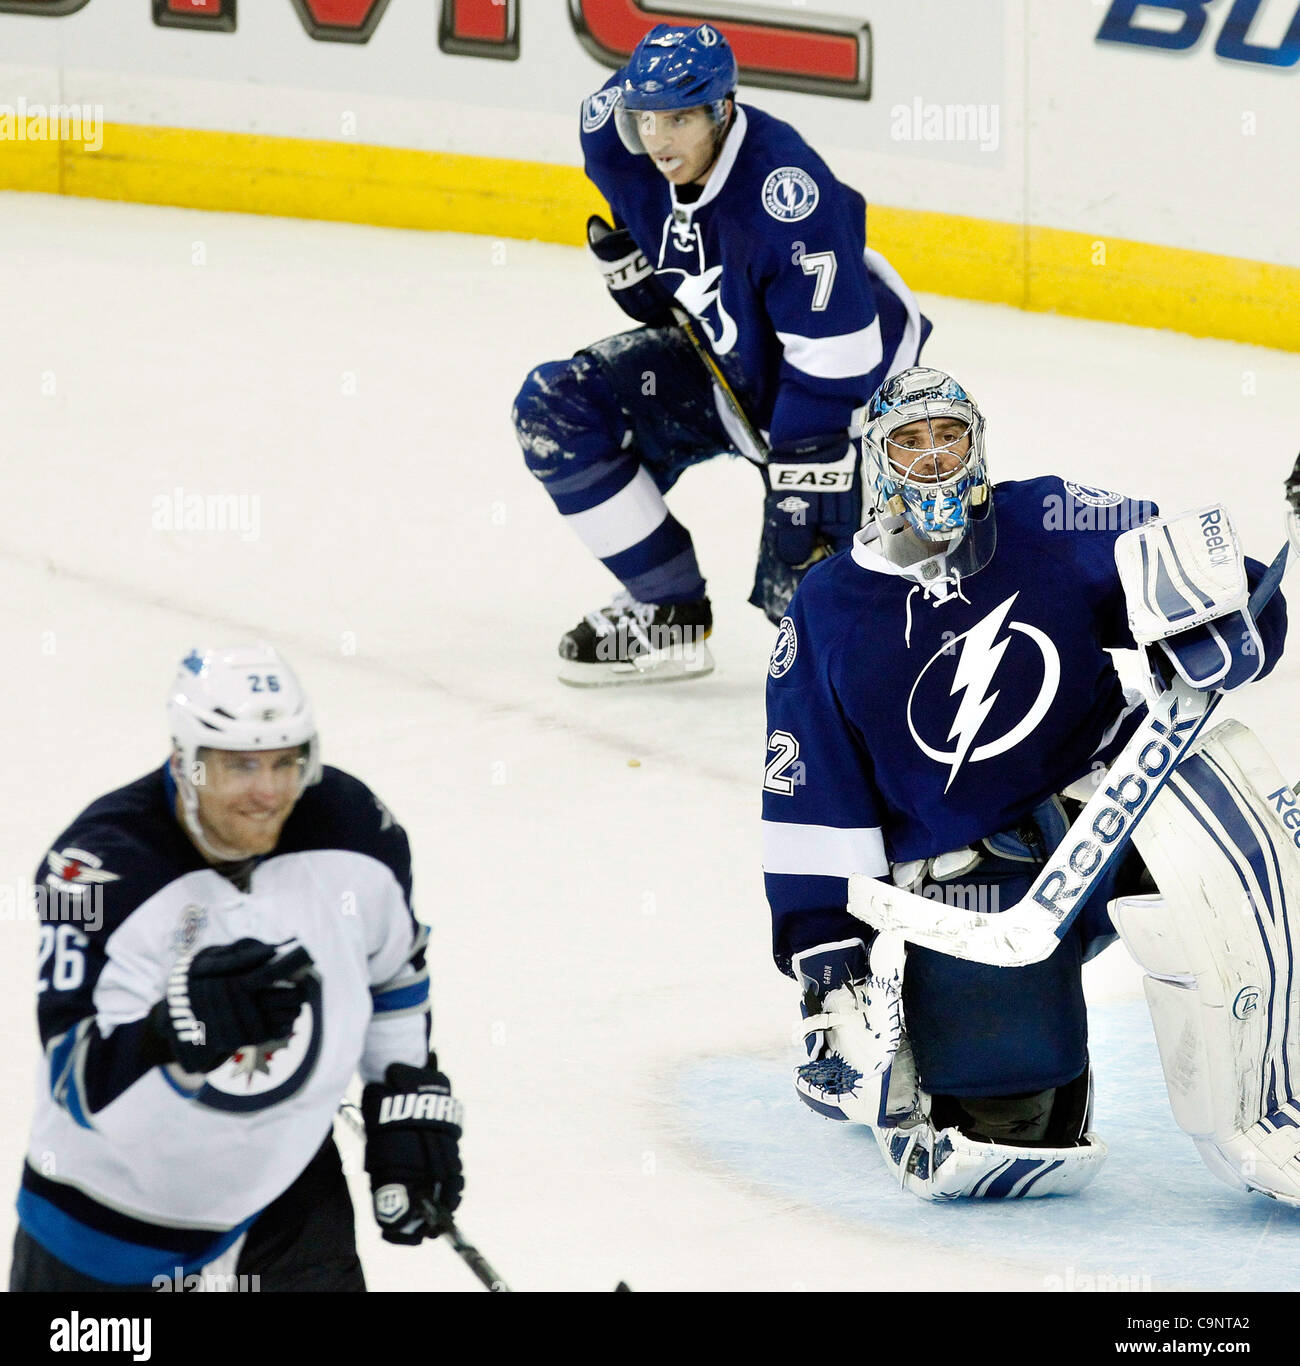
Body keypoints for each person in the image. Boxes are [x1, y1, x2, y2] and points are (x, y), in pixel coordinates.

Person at [762, 365, 1290, 1201]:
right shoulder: (826, 609)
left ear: (977, 446)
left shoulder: (1048, 514)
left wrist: (1232, 625)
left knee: (1260, 873)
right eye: (909, 441)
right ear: (878, 461)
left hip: (1123, 803)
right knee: (1015, 1133)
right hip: (979, 882)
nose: (934, 458)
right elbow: (812, 797)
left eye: (949, 436)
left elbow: (1204, 576)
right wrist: (828, 957)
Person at [11, 645, 464, 1291]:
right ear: (185, 761)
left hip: (288, 1207)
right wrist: (177, 1028)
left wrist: (401, 1098)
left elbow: (392, 972)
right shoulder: (97, 870)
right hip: (110, 1234)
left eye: (287, 761)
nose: (269, 792)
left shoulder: (354, 830)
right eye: (241, 765)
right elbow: (73, 1082)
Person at [513, 22, 929, 686]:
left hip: (847, 396)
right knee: (556, 407)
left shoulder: (786, 196)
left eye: (679, 119)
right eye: (647, 119)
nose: (658, 139)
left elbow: (838, 358)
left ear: (722, 110)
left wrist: (805, 470)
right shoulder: (617, 141)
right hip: (729, 365)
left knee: (823, 629)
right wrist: (646, 273)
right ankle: (667, 615)